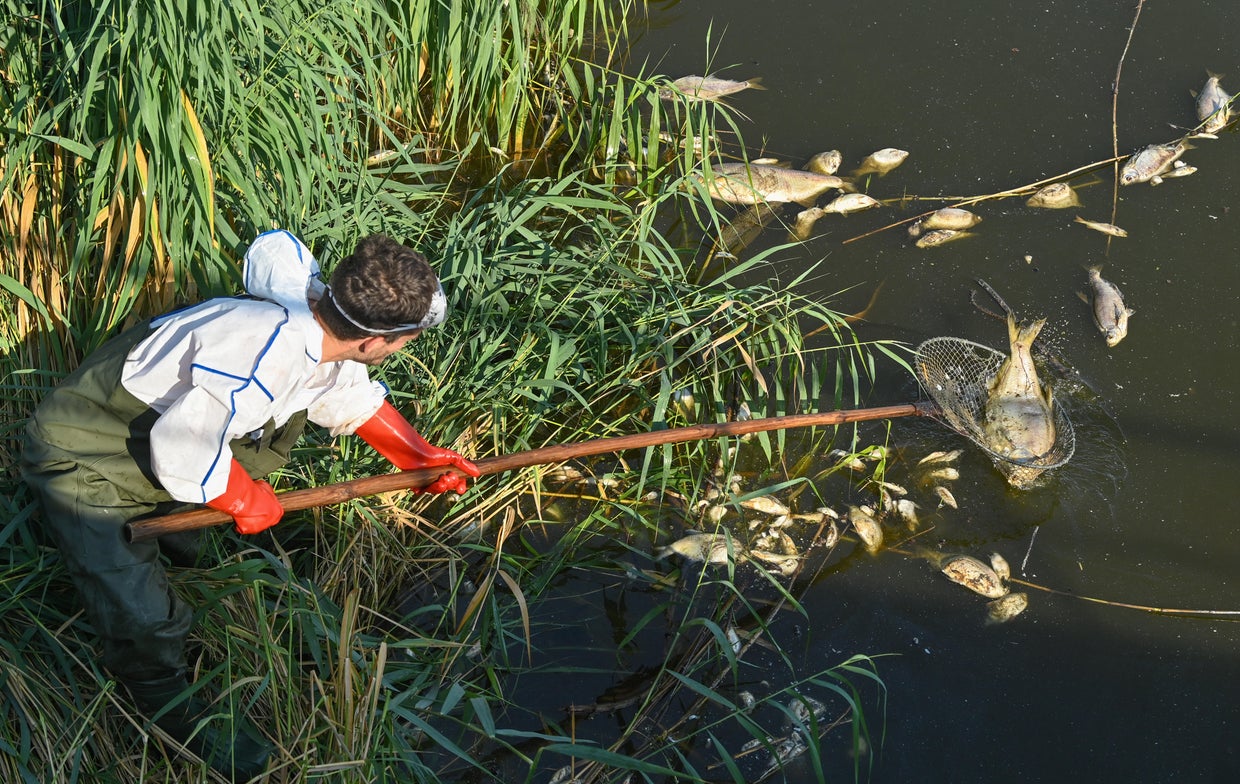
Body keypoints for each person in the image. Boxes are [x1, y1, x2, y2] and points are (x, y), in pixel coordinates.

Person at [20, 229, 480, 780]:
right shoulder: (263, 350)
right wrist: (244, 498)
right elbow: (181, 447)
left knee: (182, 543)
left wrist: (420, 458)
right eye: (406, 339)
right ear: (375, 342)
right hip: (86, 453)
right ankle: (166, 708)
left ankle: (169, 548)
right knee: (140, 613)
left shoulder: (321, 319)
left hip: (149, 443)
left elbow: (342, 392)